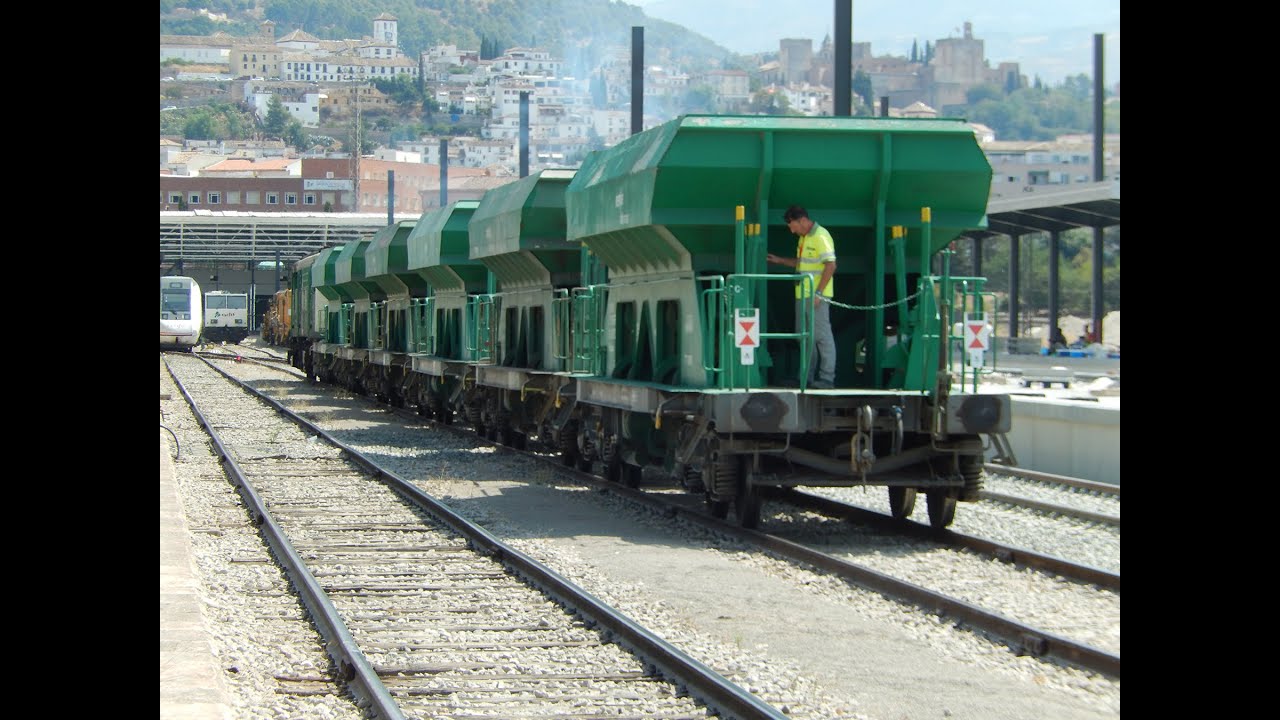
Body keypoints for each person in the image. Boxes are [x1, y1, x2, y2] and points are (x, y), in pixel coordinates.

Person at [766, 205, 837, 388]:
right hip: (803, 295)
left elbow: (831, 265)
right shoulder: (804, 239)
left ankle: (827, 378)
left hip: (816, 296)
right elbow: (802, 263)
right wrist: (780, 260)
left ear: (802, 221)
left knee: (822, 337)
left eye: (792, 225)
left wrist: (819, 293)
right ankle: (806, 377)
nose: (791, 230)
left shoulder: (821, 236)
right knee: (804, 337)